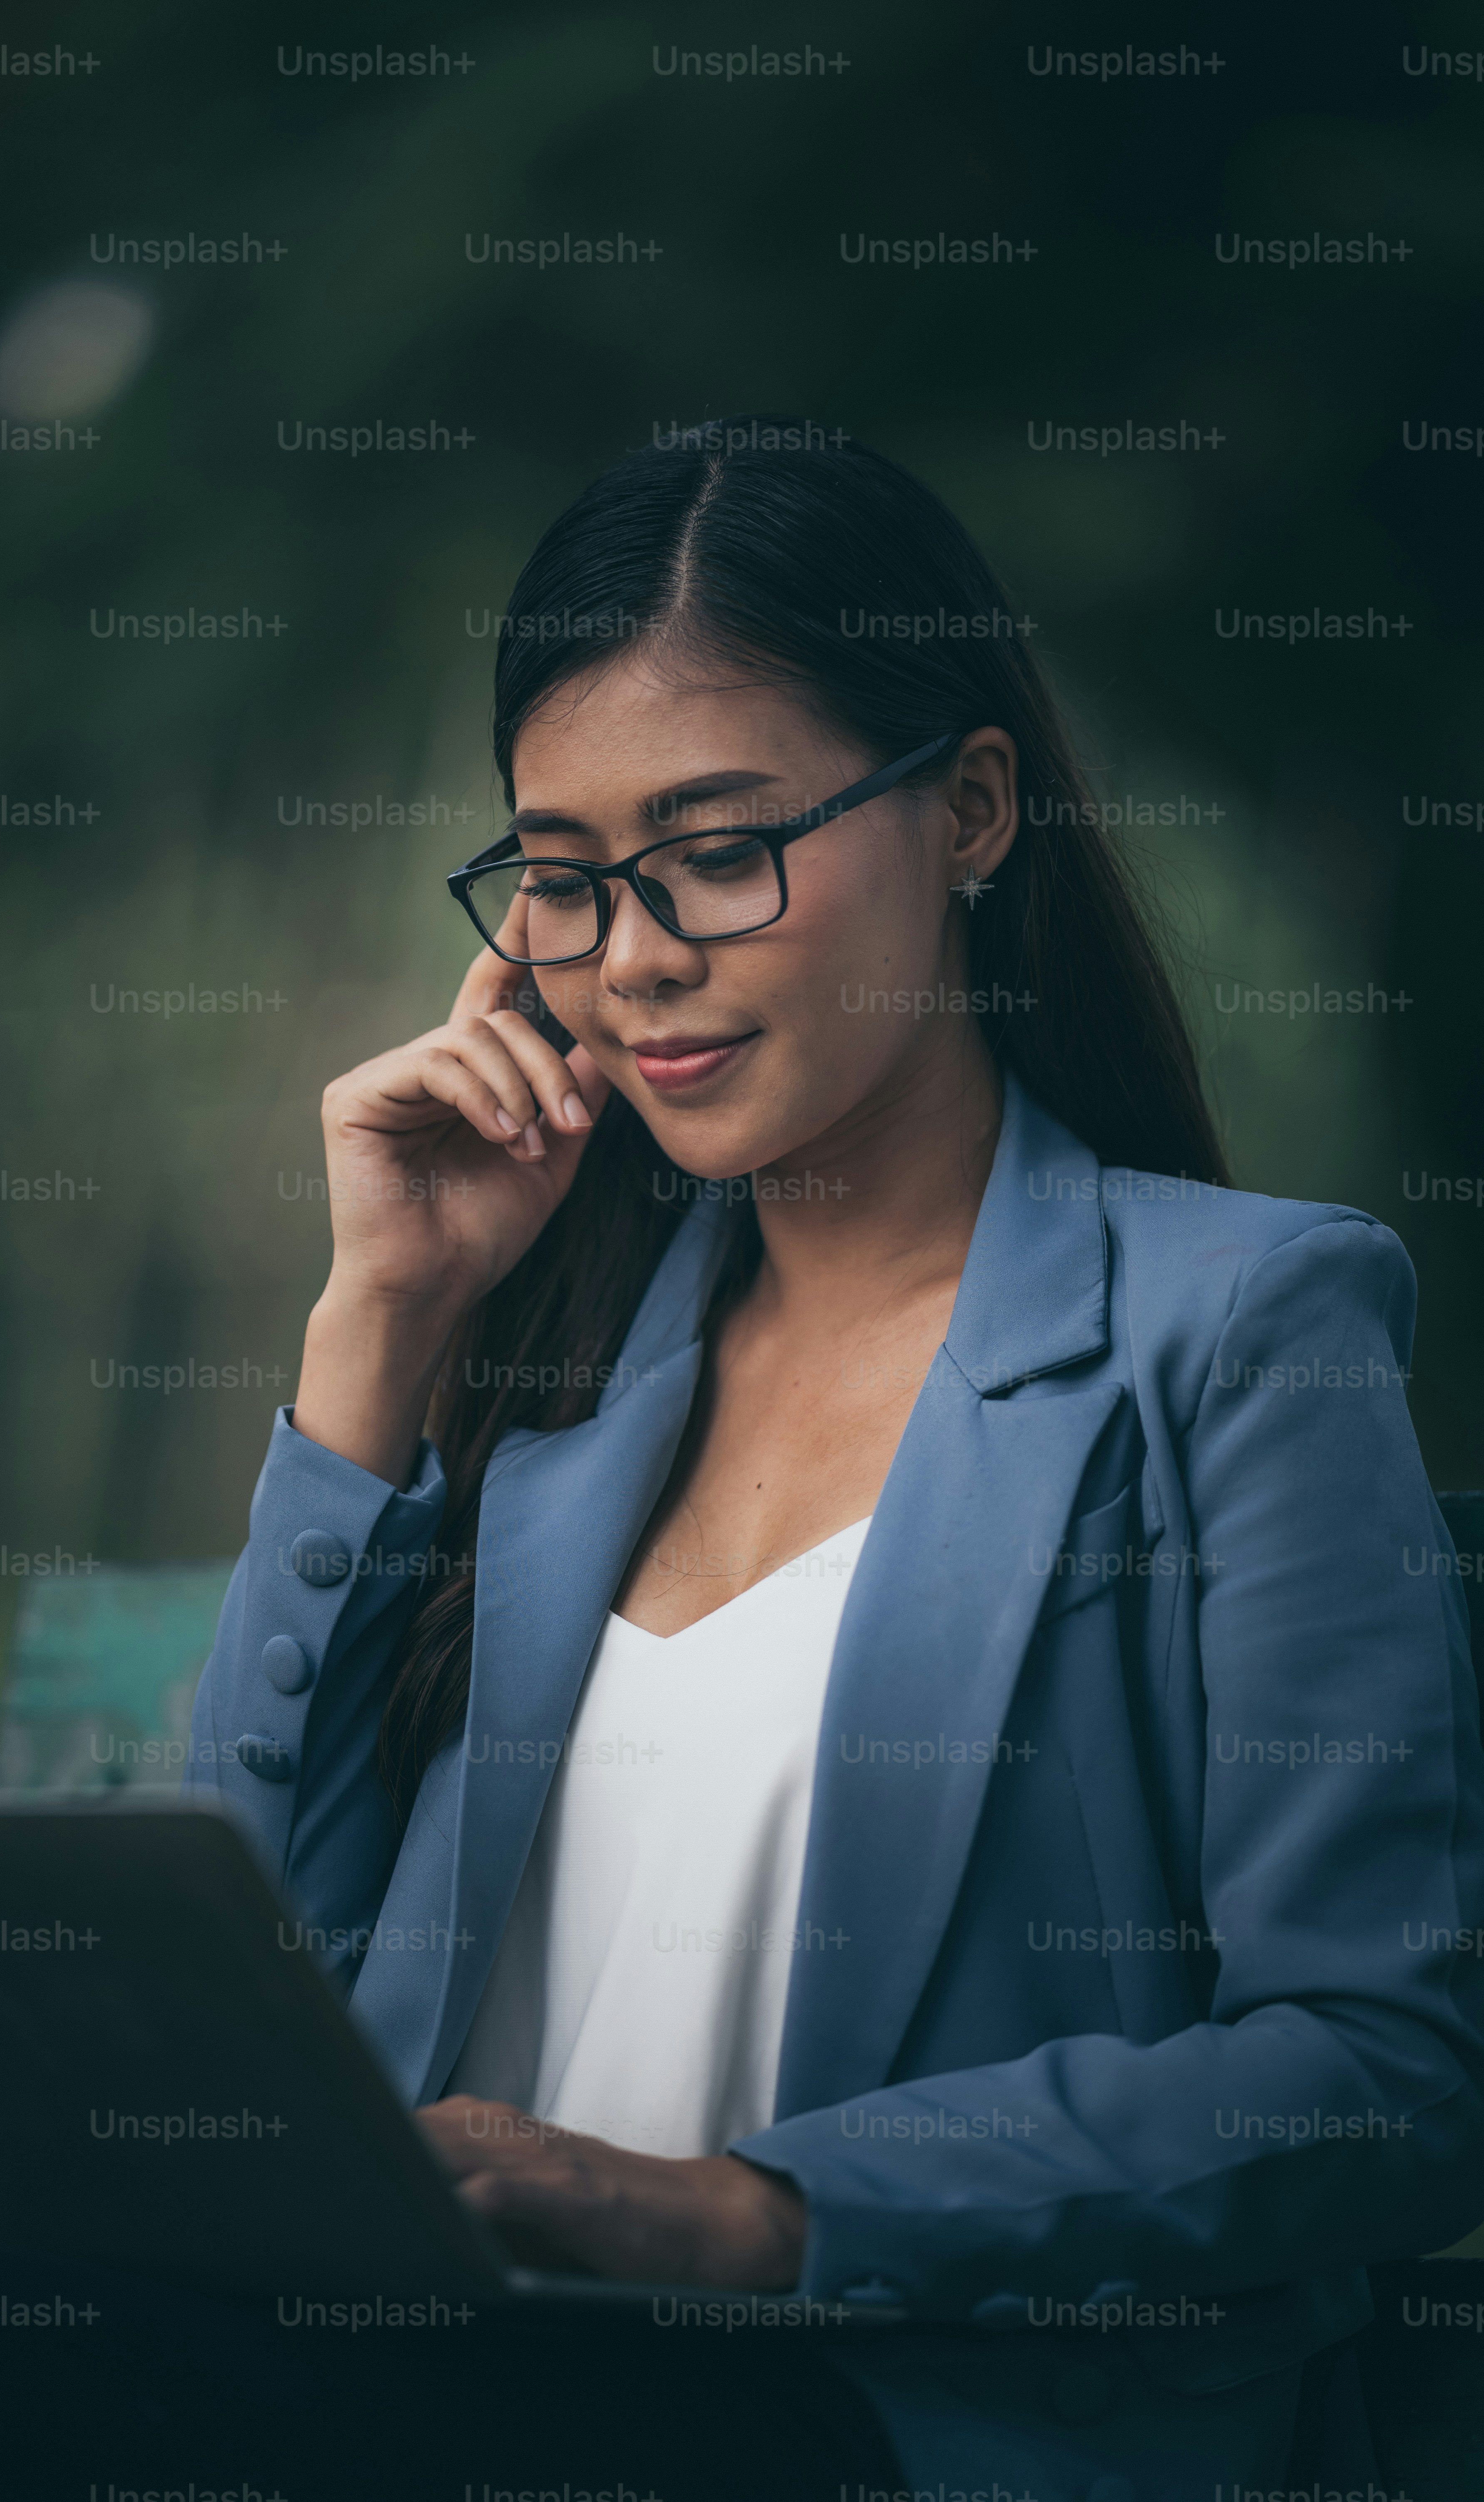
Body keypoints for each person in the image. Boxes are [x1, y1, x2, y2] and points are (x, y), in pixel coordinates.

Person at [185, 421, 1484, 2498]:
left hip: (885, 2435)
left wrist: (743, 2211)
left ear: (969, 808)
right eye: (563, 875)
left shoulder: (1236, 1329)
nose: (629, 957)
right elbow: (229, 2033)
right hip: (420, 2423)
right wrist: (379, 1337)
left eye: (717, 848)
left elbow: (1384, 2076)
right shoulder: (549, 1372)